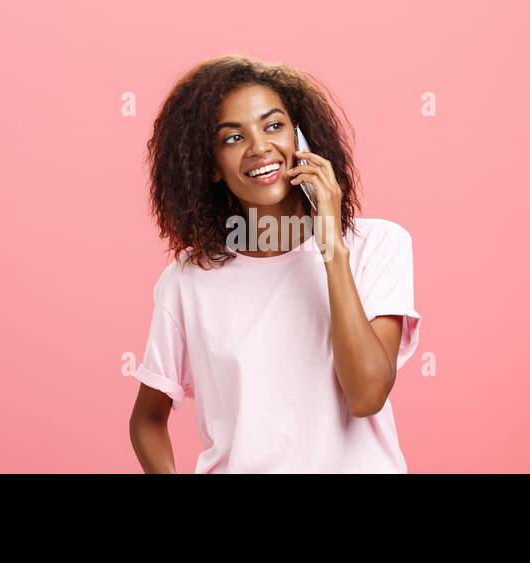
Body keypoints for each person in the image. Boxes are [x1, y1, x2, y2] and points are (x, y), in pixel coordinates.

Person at [129, 55, 421, 473]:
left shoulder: (379, 244)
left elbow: (366, 394)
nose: (259, 147)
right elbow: (146, 420)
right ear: (210, 166)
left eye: (273, 126)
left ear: (302, 139)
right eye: (232, 138)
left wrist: (331, 248)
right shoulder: (188, 280)